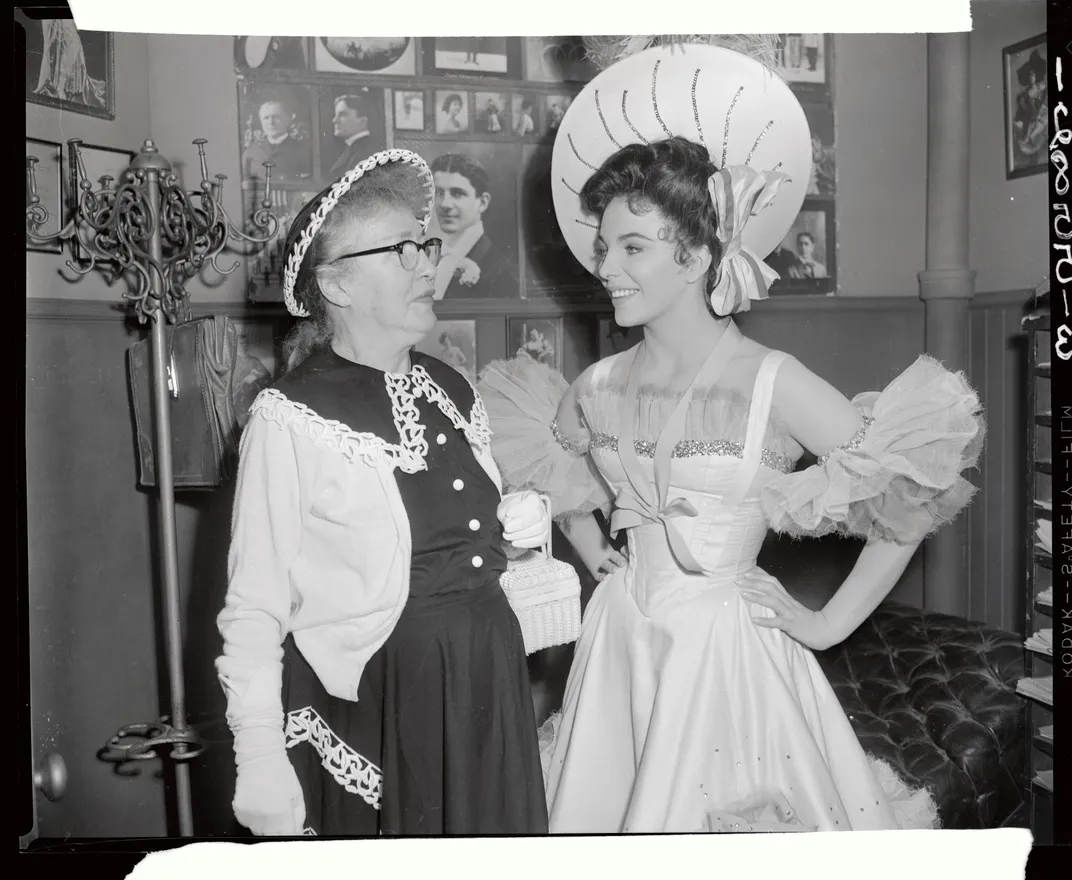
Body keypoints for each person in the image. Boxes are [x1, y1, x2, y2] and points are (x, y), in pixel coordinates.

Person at [477, 39, 983, 834]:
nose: (607, 266)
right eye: (605, 246)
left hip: (726, 659)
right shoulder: (596, 385)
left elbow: (909, 490)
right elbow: (550, 464)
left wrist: (828, 624)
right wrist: (588, 546)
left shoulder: (773, 382)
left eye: (633, 247)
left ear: (699, 253)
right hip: (618, 647)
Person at [216, 149, 551, 836]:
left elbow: (463, 540)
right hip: (383, 705)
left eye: (425, 245)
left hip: (487, 682)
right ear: (335, 284)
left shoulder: (453, 388)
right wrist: (258, 756)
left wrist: (523, 532)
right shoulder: (290, 417)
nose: (429, 263)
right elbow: (254, 606)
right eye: (403, 249)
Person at [430, 153, 518, 298]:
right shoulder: (430, 259)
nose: (445, 204)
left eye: (457, 193)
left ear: (482, 203)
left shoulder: (502, 273)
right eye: (438, 193)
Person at [242, 97, 311, 182]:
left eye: (276, 117)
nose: (271, 123)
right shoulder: (251, 152)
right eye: (266, 118)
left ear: (287, 119)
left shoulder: (302, 151)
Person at [328, 94, 374, 181]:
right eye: (335, 115)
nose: (334, 120)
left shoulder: (363, 155)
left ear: (363, 121)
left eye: (342, 115)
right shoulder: (352, 150)